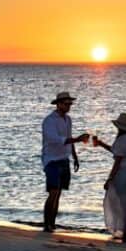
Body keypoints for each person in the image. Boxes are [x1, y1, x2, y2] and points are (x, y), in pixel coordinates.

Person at [42, 91, 89, 233]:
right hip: (51, 160)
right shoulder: (49, 121)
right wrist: (77, 139)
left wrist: (74, 156)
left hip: (64, 159)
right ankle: (46, 224)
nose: (69, 106)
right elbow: (56, 140)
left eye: (70, 104)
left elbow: (68, 139)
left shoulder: (68, 120)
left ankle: (52, 223)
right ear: (59, 104)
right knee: (53, 192)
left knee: (58, 193)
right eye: (66, 104)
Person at [92, 112, 126, 243]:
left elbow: (117, 160)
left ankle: (124, 232)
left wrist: (109, 178)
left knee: (120, 202)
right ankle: (125, 231)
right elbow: (115, 151)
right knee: (123, 202)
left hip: (121, 172)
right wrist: (101, 144)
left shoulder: (123, 139)